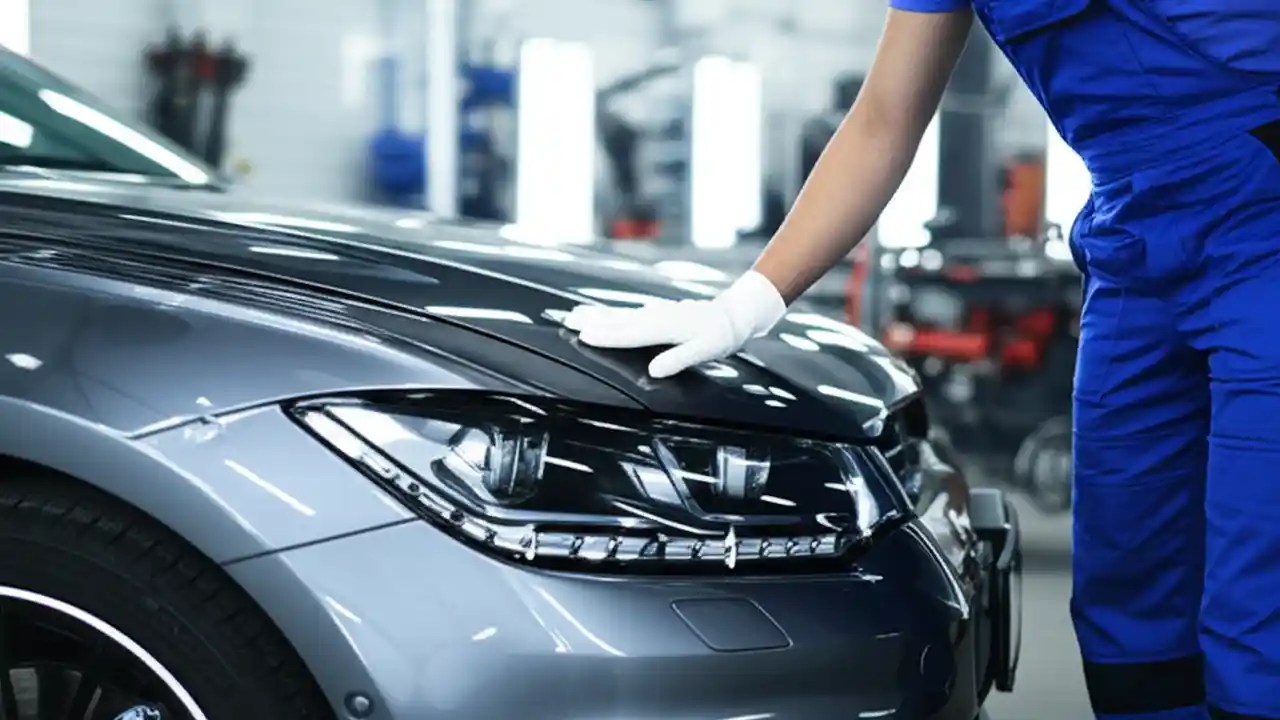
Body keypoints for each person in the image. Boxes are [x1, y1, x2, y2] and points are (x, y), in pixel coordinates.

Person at [564, 2, 1280, 719]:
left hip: (1264, 214)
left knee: (1258, 608)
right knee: (1128, 607)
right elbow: (884, 117)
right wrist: (743, 306)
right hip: (1133, 240)